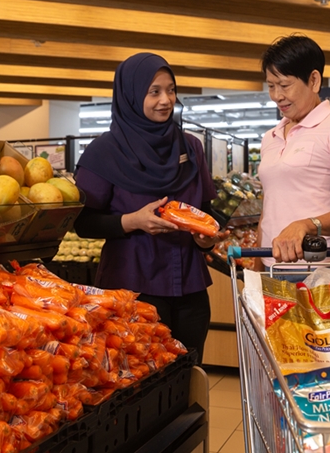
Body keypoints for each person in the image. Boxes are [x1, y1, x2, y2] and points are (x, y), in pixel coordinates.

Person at [73, 52, 224, 366]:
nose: (165, 100)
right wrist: (132, 221)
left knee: (189, 376)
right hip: (132, 287)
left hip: (189, 287)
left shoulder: (190, 147)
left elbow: (207, 211)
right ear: (130, 94)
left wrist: (206, 237)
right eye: (153, 91)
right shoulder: (104, 152)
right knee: (137, 379)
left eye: (170, 90)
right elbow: (82, 223)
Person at [256, 34, 330, 270]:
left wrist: (306, 225)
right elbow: (269, 208)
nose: (277, 96)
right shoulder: (270, 137)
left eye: (284, 85)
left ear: (314, 80)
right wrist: (256, 260)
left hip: (321, 268)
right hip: (271, 265)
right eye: (271, 86)